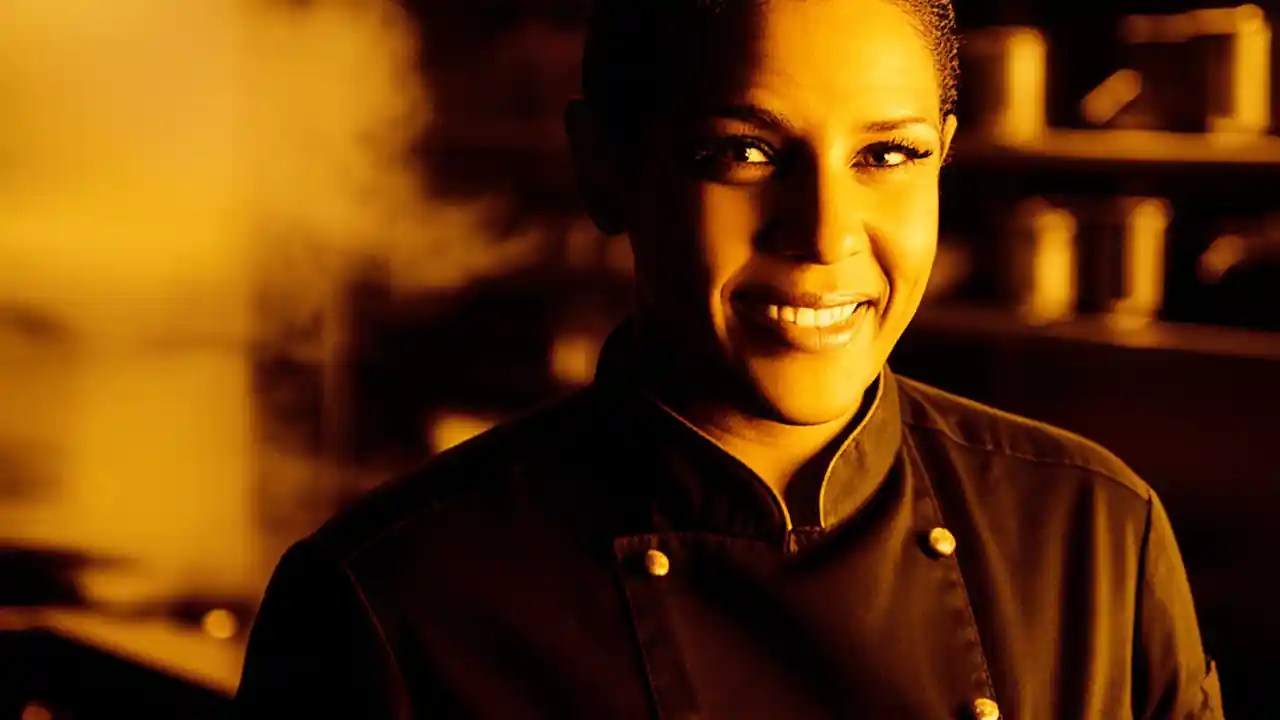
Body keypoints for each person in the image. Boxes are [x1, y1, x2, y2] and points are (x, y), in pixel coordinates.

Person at [235, 0, 1224, 717]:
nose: (826, 233)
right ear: (605, 169)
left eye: (886, 156)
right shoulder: (388, 604)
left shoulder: (1094, 531)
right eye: (743, 152)